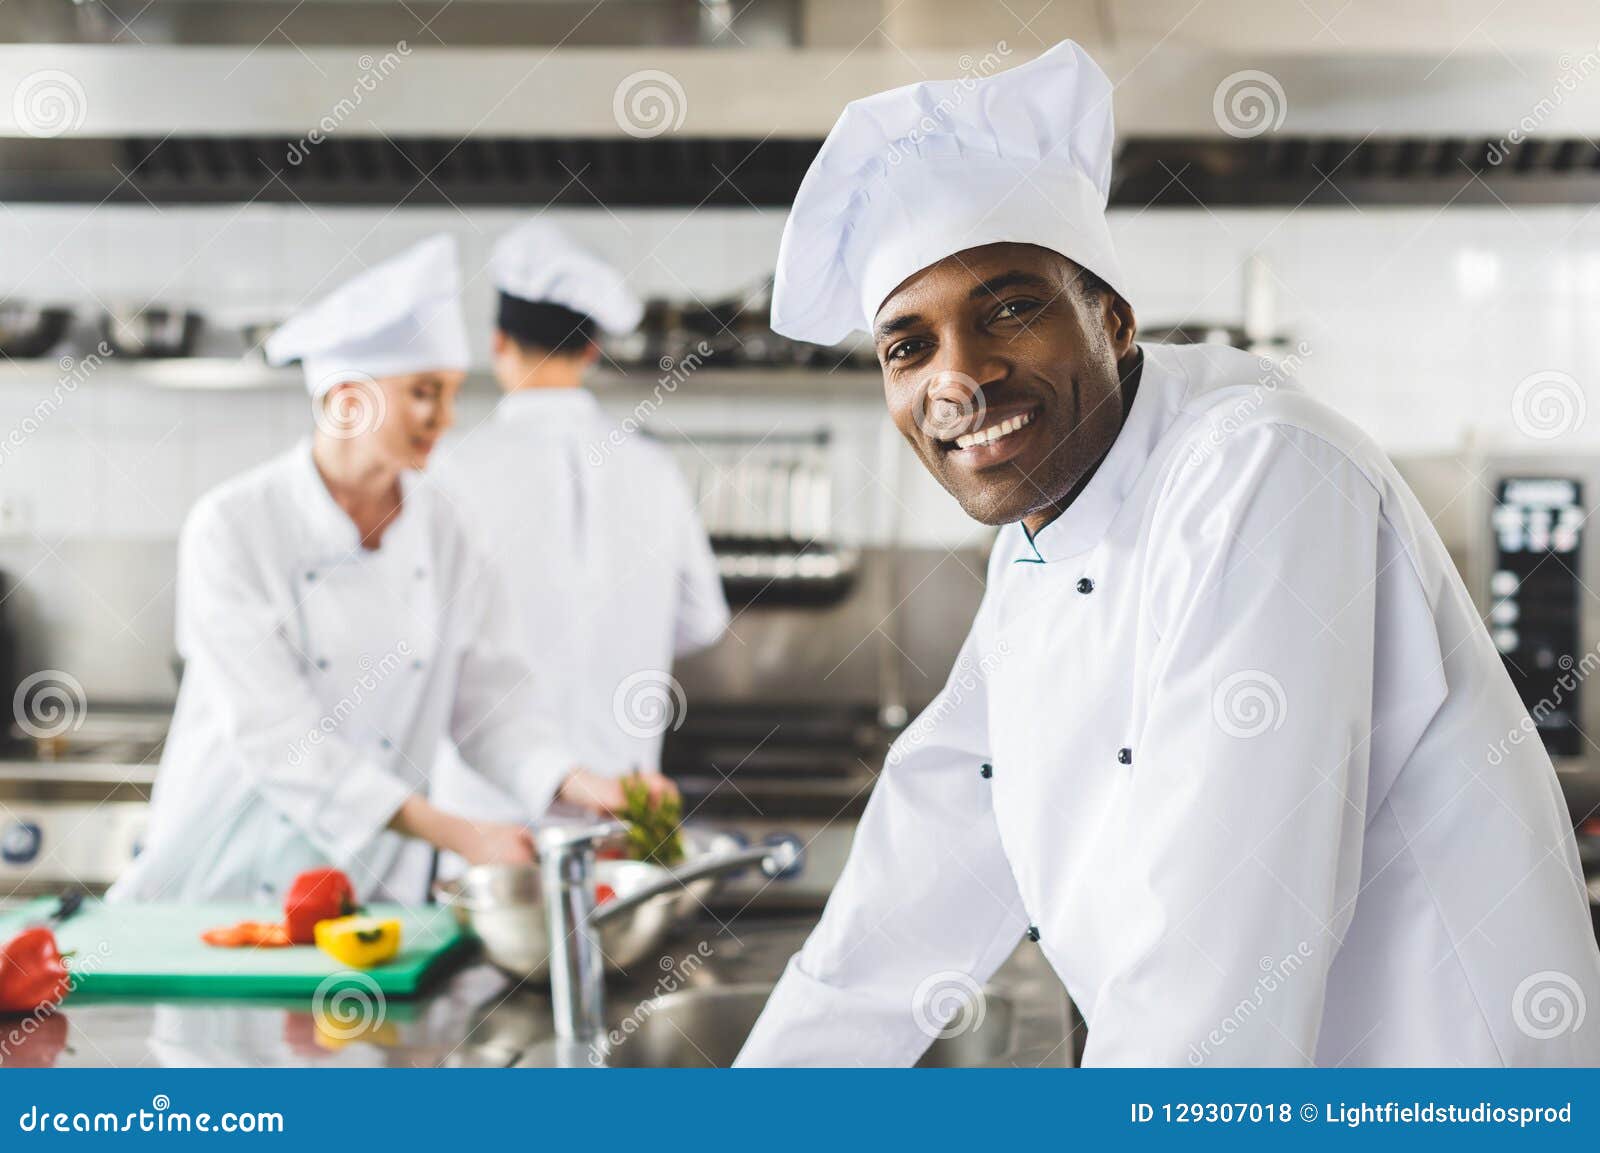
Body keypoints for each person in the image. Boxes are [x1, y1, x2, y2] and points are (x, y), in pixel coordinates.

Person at [735, 41, 1600, 1066]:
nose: (958, 379)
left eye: (1009, 306)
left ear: (1112, 316)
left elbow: (1215, 970)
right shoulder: (1043, 533)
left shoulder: (1263, 469)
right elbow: (933, 847)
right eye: (906, 346)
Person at [112, 235, 627, 906]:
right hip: (223, 879)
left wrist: (573, 781)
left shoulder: (450, 527)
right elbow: (280, 740)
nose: (444, 418)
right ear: (347, 398)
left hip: (369, 888)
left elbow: (488, 704)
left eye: (448, 393)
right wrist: (457, 833)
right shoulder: (234, 526)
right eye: (423, 393)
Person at [429, 221, 725, 830]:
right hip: (619, 807)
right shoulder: (655, 469)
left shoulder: (450, 470)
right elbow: (704, 621)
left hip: (485, 825)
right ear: (591, 349)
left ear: (498, 343)